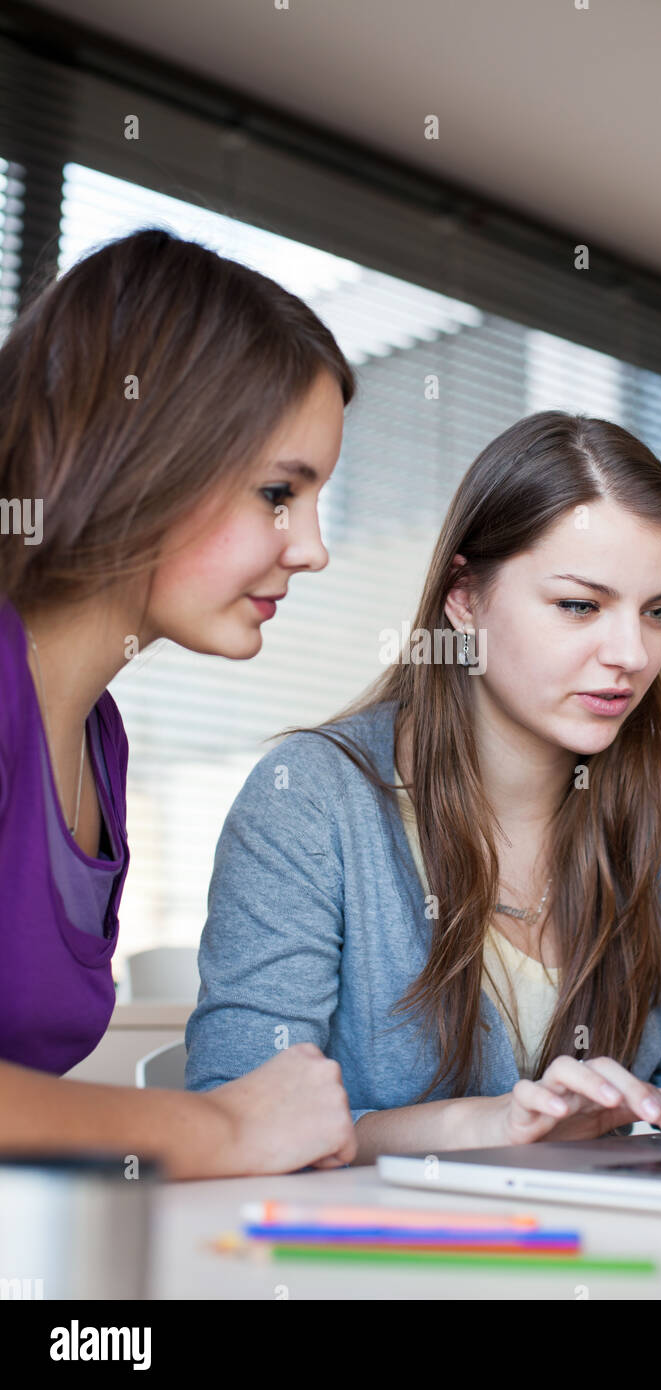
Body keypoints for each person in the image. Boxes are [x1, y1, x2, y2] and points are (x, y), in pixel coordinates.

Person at [185, 411, 661, 1163]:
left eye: (660, 613)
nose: (630, 653)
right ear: (464, 598)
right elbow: (236, 1117)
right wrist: (482, 1126)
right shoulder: (311, 799)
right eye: (580, 606)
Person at [0, 227, 358, 1178]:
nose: (312, 547)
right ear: (140, 454)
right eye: (278, 491)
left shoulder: (96, 742)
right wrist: (227, 1129)